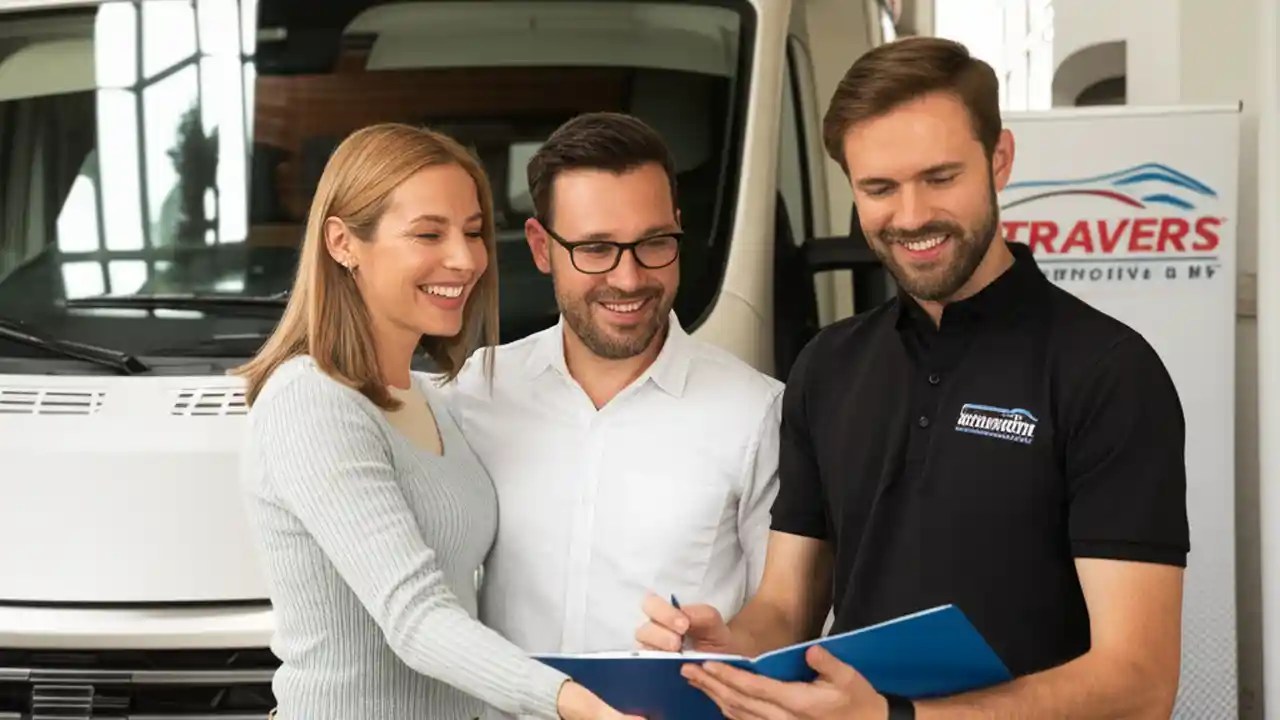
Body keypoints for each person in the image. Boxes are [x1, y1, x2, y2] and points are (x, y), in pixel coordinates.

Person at [636, 36, 1189, 719]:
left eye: (940, 177)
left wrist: (898, 718)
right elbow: (785, 608)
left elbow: (1139, 682)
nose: (912, 215)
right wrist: (727, 648)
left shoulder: (1106, 371)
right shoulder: (827, 367)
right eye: (879, 188)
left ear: (1000, 159)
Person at [233, 123, 637, 720]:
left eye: (473, 232)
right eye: (428, 233)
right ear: (343, 243)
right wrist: (577, 704)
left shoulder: (431, 399)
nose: (465, 259)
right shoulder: (311, 401)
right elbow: (415, 616)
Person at [444, 112, 783, 656]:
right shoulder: (474, 394)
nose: (629, 278)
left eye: (654, 242)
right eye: (596, 249)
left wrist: (734, 644)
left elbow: (785, 619)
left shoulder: (757, 413)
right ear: (540, 247)